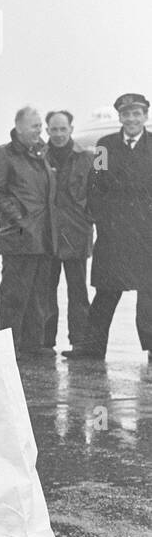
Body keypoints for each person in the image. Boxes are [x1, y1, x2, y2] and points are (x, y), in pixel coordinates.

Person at [67, 92, 152, 363]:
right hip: (113, 235)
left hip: (147, 236)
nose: (131, 119)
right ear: (120, 117)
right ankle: (92, 348)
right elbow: (95, 185)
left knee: (149, 295)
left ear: (145, 117)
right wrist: (102, 220)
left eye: (136, 113)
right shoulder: (104, 146)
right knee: (105, 293)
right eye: (126, 114)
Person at [0, 106, 57, 358]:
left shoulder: (40, 154)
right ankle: (8, 348)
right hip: (19, 238)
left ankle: (32, 345)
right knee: (14, 295)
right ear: (20, 127)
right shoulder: (4, 154)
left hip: (43, 237)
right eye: (35, 126)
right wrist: (18, 217)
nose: (40, 131)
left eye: (40, 126)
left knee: (38, 295)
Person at [42, 110, 95, 353]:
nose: (59, 134)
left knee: (78, 292)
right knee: (45, 291)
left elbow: (100, 192)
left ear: (72, 129)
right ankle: (45, 342)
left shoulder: (89, 157)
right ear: (47, 130)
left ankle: (80, 342)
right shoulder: (39, 157)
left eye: (63, 129)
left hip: (76, 235)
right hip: (47, 237)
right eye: (54, 129)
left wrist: (88, 218)